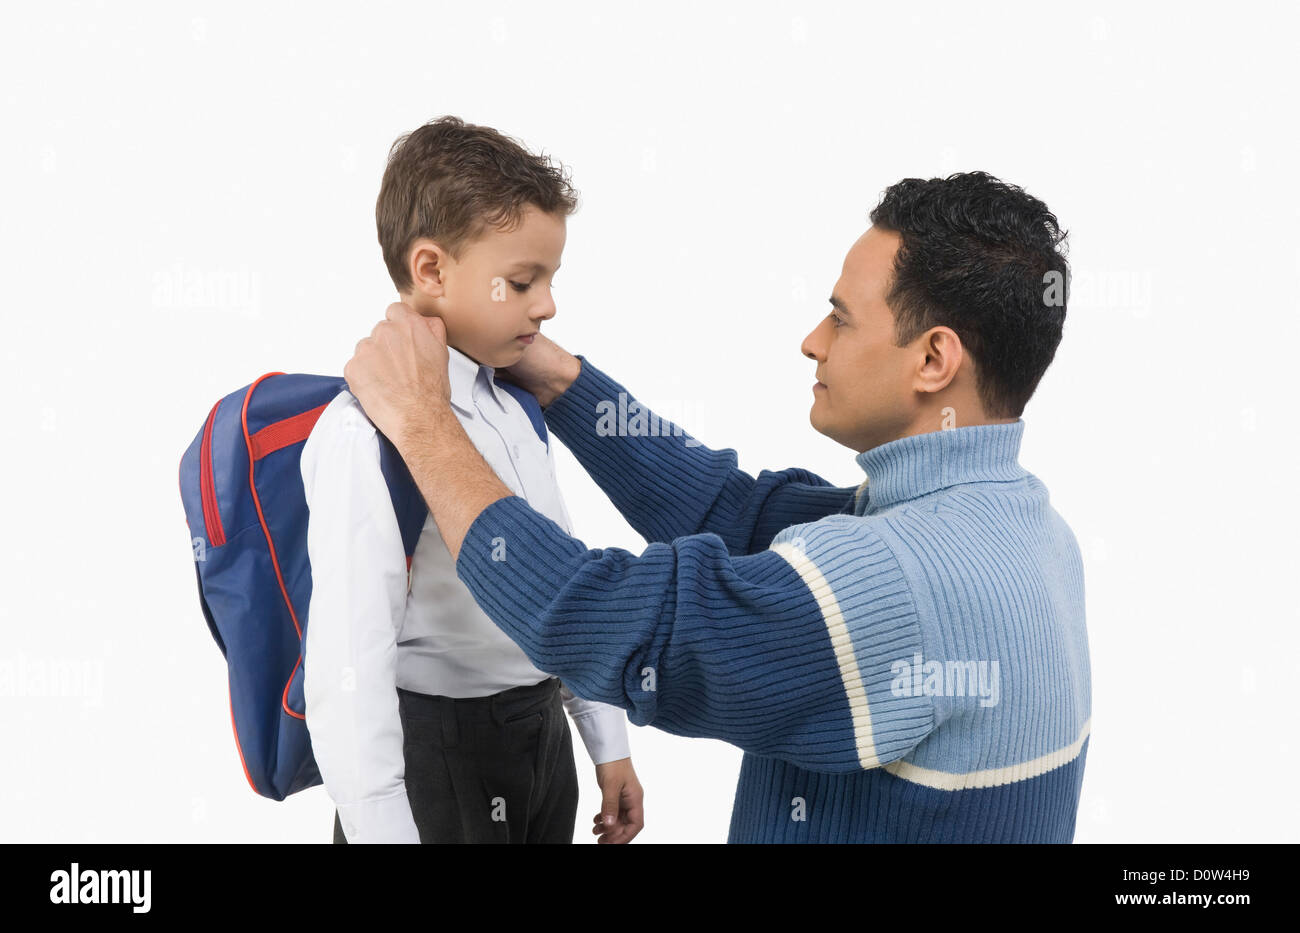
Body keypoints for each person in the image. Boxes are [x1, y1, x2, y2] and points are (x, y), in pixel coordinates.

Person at [344, 171, 1090, 843]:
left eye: (841, 317)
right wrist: (555, 378)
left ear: (934, 359)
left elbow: (604, 618)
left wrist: (424, 425)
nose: (812, 340)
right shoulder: (1022, 528)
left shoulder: (898, 585)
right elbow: (730, 510)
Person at [301, 116, 643, 844]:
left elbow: (562, 580)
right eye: (522, 281)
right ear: (431, 271)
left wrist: (604, 742)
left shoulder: (515, 402)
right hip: (438, 757)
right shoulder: (366, 432)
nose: (547, 305)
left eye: (551, 278)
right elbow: (346, 672)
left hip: (540, 734)